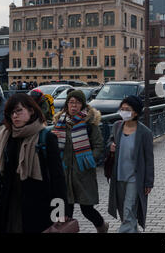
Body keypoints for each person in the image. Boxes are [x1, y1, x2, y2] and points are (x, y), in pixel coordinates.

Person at [0, 93, 67, 233]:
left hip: (39, 206)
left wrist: (60, 213)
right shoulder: (7, 136)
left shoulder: (46, 138)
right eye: (11, 112)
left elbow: (57, 178)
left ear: (31, 111)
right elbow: (3, 168)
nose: (15, 116)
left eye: (19, 111)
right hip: (11, 204)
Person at [52, 90, 108, 233]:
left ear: (83, 105)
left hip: (83, 172)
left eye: (77, 103)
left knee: (87, 209)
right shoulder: (59, 122)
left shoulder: (89, 123)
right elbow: (53, 146)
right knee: (66, 209)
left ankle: (102, 226)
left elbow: (98, 145)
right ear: (67, 104)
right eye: (71, 102)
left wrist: (89, 159)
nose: (74, 106)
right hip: (64, 171)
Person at [107, 95, 154, 233]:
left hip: (135, 178)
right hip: (119, 176)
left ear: (136, 112)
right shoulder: (117, 127)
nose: (123, 112)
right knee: (125, 212)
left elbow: (149, 159)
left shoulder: (145, 133)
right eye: (122, 109)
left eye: (127, 109)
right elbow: (109, 141)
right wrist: (110, 146)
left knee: (128, 210)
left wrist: (148, 182)